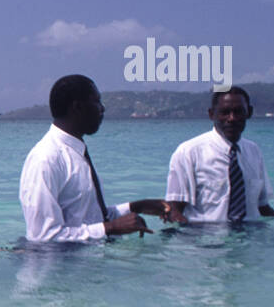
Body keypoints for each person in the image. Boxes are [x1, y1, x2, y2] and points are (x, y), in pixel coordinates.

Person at [19, 74, 182, 242]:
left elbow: (89, 218)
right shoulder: (46, 158)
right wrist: (111, 228)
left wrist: (136, 207)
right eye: (97, 102)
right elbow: (42, 237)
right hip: (62, 267)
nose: (102, 109)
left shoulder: (75, 151)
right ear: (78, 107)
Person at [166, 87, 274, 223]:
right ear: (211, 114)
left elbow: (262, 207)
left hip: (250, 239)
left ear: (249, 113)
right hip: (206, 238)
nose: (231, 118)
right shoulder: (188, 153)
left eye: (238, 112)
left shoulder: (253, 151)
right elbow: (174, 210)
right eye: (225, 112)